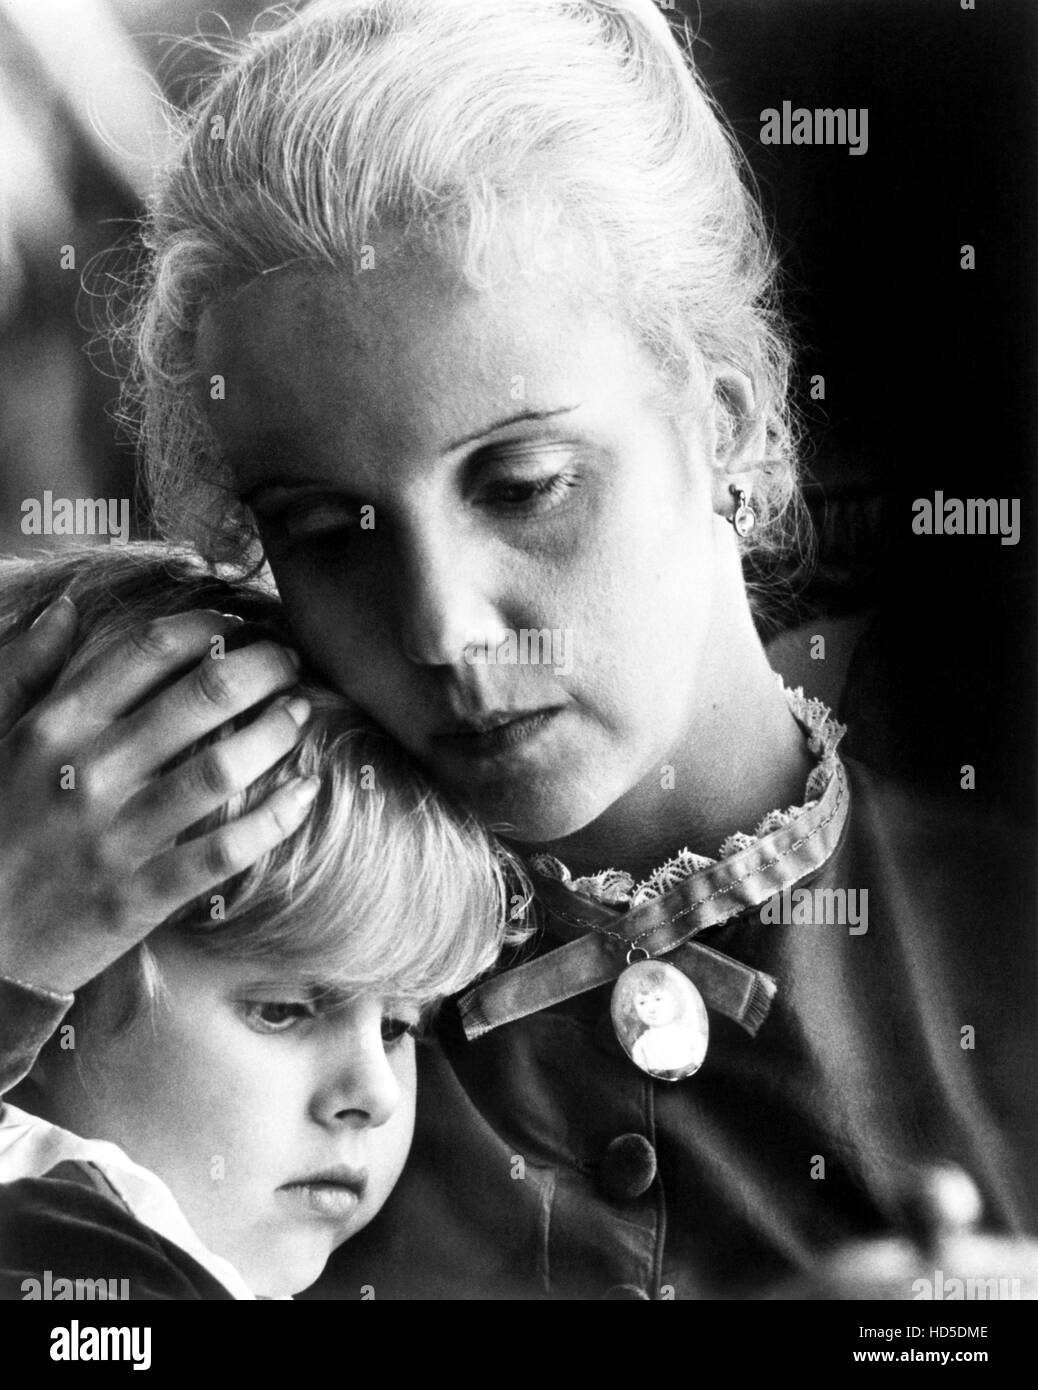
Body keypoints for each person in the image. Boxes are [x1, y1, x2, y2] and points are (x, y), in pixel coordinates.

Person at [2, 0, 1034, 1299]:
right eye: (325, 529)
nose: (439, 625)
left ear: (726, 426)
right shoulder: (188, 922)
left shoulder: (996, 919)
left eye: (524, 481)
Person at [0, 544, 522, 1299]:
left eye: (397, 1027)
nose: (373, 1095)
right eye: (281, 1011)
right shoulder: (71, 1248)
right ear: (49, 1005)